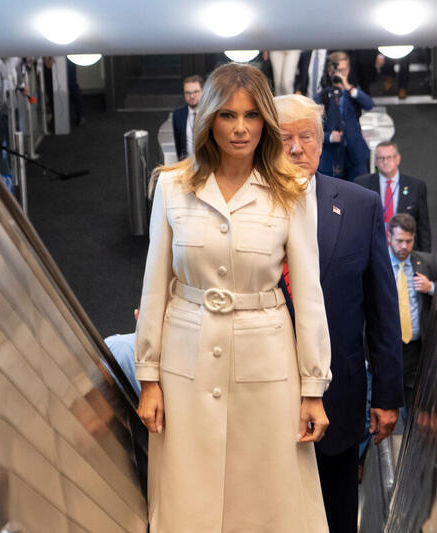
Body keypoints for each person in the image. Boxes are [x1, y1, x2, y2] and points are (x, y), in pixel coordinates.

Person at [135, 63, 331, 532]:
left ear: (265, 120)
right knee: (188, 499)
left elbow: (308, 295)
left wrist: (312, 389)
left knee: (268, 500)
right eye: (226, 116)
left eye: (250, 116)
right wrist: (149, 377)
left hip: (267, 367)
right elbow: (154, 284)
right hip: (185, 367)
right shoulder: (172, 186)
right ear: (207, 120)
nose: (240, 128)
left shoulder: (294, 191)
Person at [275, 94, 403, 533]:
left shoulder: (359, 205)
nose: (295, 148)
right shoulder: (246, 211)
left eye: (306, 136)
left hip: (340, 401)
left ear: (321, 142)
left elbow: (382, 308)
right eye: (284, 138)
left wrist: (387, 395)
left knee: (337, 518)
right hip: (265, 398)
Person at [387, 213, 437, 413]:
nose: (404, 247)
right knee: (380, 411)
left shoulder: (427, 263)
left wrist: (431, 287)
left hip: (416, 350)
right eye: (399, 241)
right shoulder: (378, 263)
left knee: (416, 411)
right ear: (389, 237)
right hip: (387, 349)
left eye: (409, 241)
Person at [355, 140, 432, 252]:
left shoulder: (416, 186)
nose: (385, 162)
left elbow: (423, 228)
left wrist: (425, 260)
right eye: (381, 158)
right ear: (375, 161)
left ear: (397, 159)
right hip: (373, 250)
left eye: (389, 157)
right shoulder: (362, 184)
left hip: (405, 251)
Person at [314, 51, 374, 181]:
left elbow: (369, 105)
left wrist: (348, 87)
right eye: (338, 70)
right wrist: (329, 136)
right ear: (330, 71)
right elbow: (312, 129)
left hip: (355, 154)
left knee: (360, 192)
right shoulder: (322, 97)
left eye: (344, 70)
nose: (341, 73)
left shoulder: (352, 92)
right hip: (330, 157)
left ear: (349, 69)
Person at [172, 74, 203, 159]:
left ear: (203, 91)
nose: (192, 96)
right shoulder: (178, 115)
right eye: (188, 93)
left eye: (196, 92)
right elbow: (178, 144)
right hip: (187, 164)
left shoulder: (211, 113)